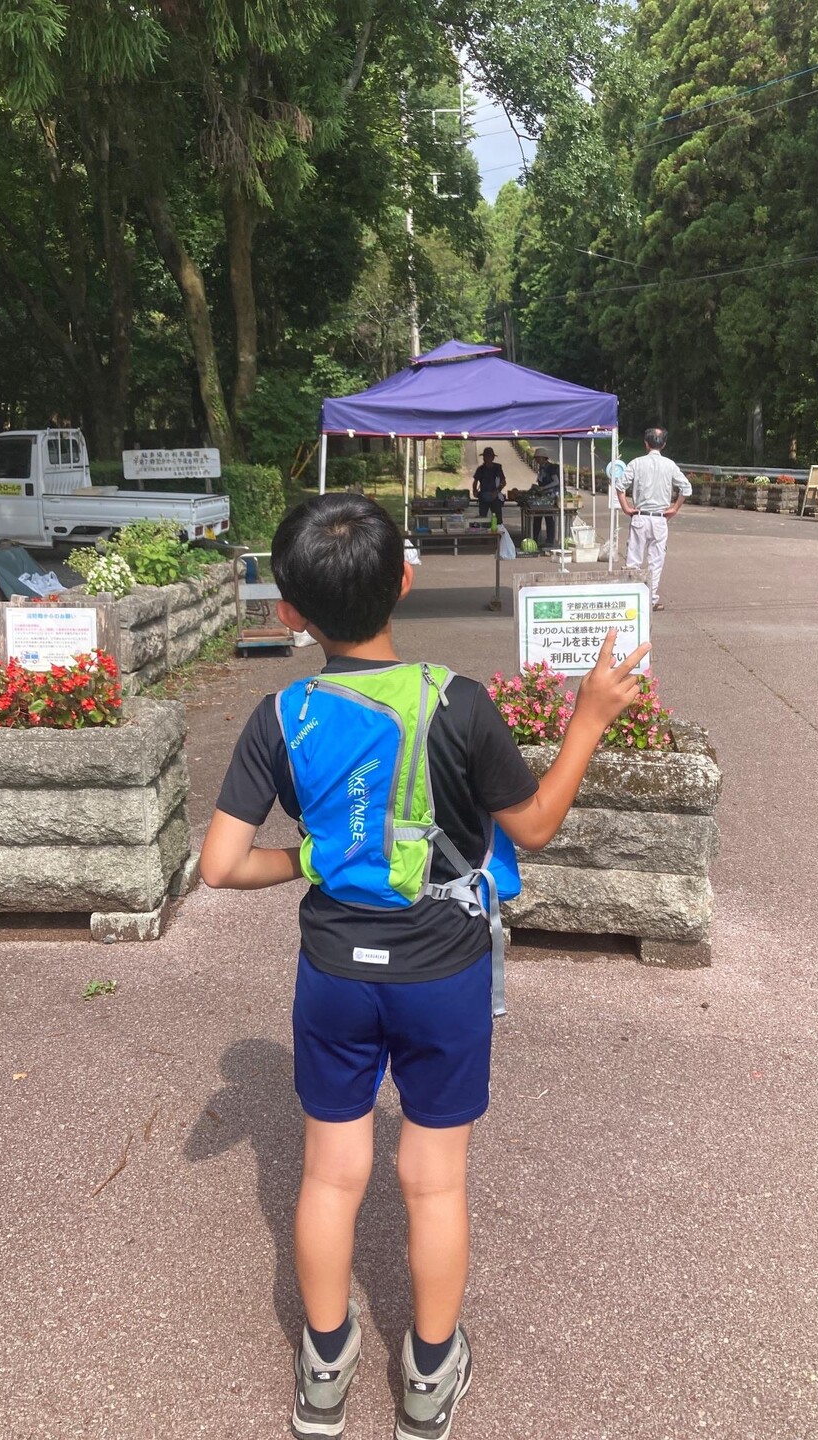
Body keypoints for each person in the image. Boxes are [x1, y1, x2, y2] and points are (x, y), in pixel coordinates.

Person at [199, 492, 650, 1440]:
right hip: (442, 972)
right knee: (434, 1180)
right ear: (405, 580)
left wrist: (315, 859)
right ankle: (429, 1378)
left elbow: (222, 865)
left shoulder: (280, 715)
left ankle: (324, 1374)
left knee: (330, 1175)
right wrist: (590, 717)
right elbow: (534, 827)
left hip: (333, 970)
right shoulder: (458, 702)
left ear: (289, 612)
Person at [615, 426, 692, 611]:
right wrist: (675, 508)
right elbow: (687, 488)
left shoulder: (636, 463)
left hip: (640, 516)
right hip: (660, 518)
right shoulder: (670, 465)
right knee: (655, 561)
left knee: (633, 559)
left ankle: (631, 597)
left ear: (646, 443)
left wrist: (626, 507)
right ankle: (650, 599)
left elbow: (619, 486)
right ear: (663, 444)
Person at [530, 446, 560, 548]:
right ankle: (534, 539)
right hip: (543, 496)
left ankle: (550, 540)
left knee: (548, 518)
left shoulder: (551, 468)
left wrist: (544, 488)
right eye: (536, 458)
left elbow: (556, 482)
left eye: (538, 458)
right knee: (537, 517)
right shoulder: (541, 468)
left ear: (543, 458)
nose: (537, 460)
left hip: (550, 495)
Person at [471, 446, 506, 522]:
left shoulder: (497, 467)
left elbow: (503, 482)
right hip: (483, 495)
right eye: (485, 456)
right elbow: (475, 481)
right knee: (482, 518)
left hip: (495, 496)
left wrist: (497, 491)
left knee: (498, 519)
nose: (487, 458)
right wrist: (474, 490)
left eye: (489, 456)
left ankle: (499, 532)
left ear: (493, 458)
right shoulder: (480, 469)